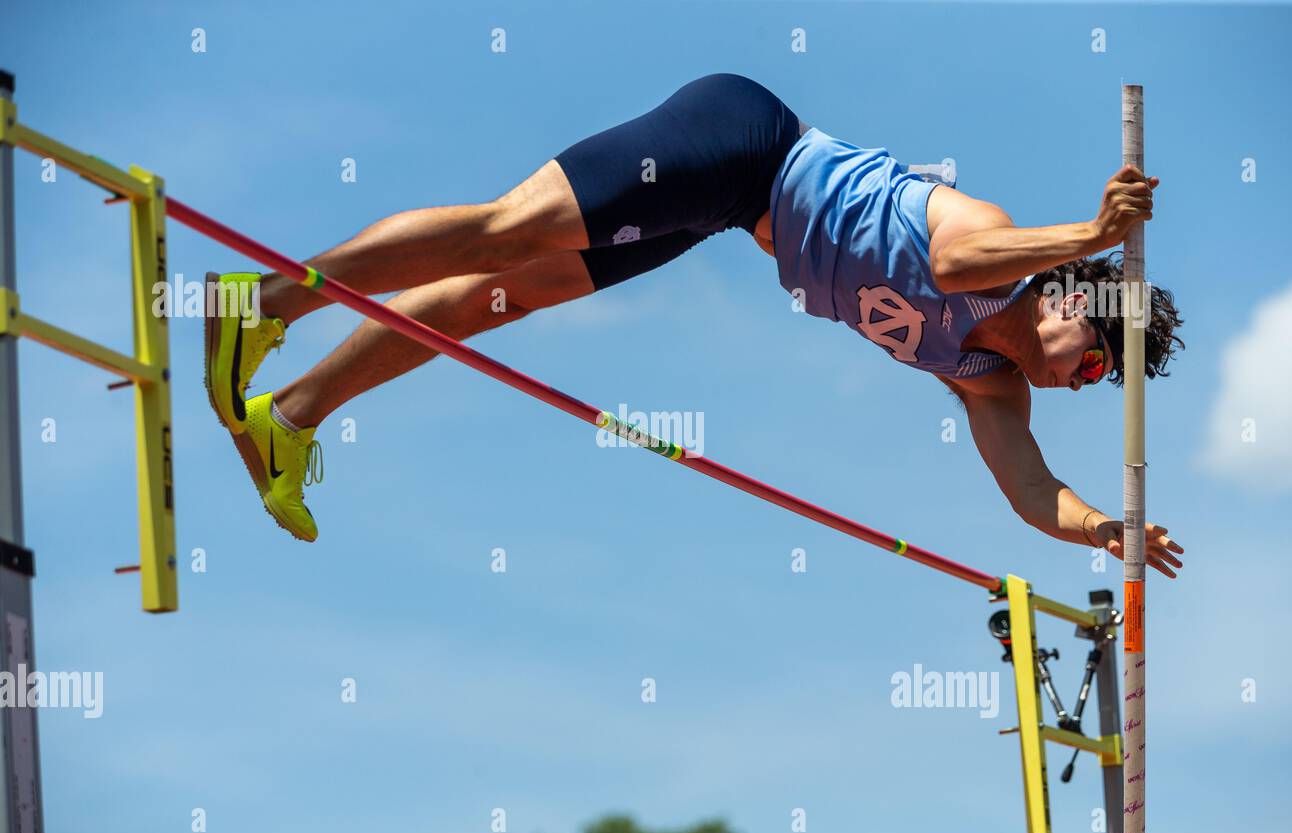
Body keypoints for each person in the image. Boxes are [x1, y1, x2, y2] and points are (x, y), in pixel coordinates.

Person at [204, 73, 1184, 578]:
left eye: (1101, 384)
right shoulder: (1002, 246)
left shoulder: (986, 376)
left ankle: (290, 413)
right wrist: (1088, 233)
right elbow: (945, 261)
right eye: (1100, 360)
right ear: (1071, 299)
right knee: (503, 233)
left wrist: (1106, 528)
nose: (1085, 382)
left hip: (724, 211)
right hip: (743, 142)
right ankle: (263, 304)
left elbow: (1027, 487)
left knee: (488, 298)